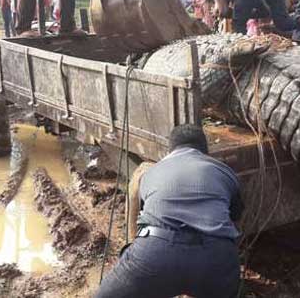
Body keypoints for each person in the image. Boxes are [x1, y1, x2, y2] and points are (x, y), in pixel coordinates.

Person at [95, 124, 243, 298]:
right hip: (215, 258)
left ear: (170, 150)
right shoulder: (225, 172)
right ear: (205, 150)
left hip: (156, 254)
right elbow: (236, 220)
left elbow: (141, 215)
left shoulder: (151, 172)